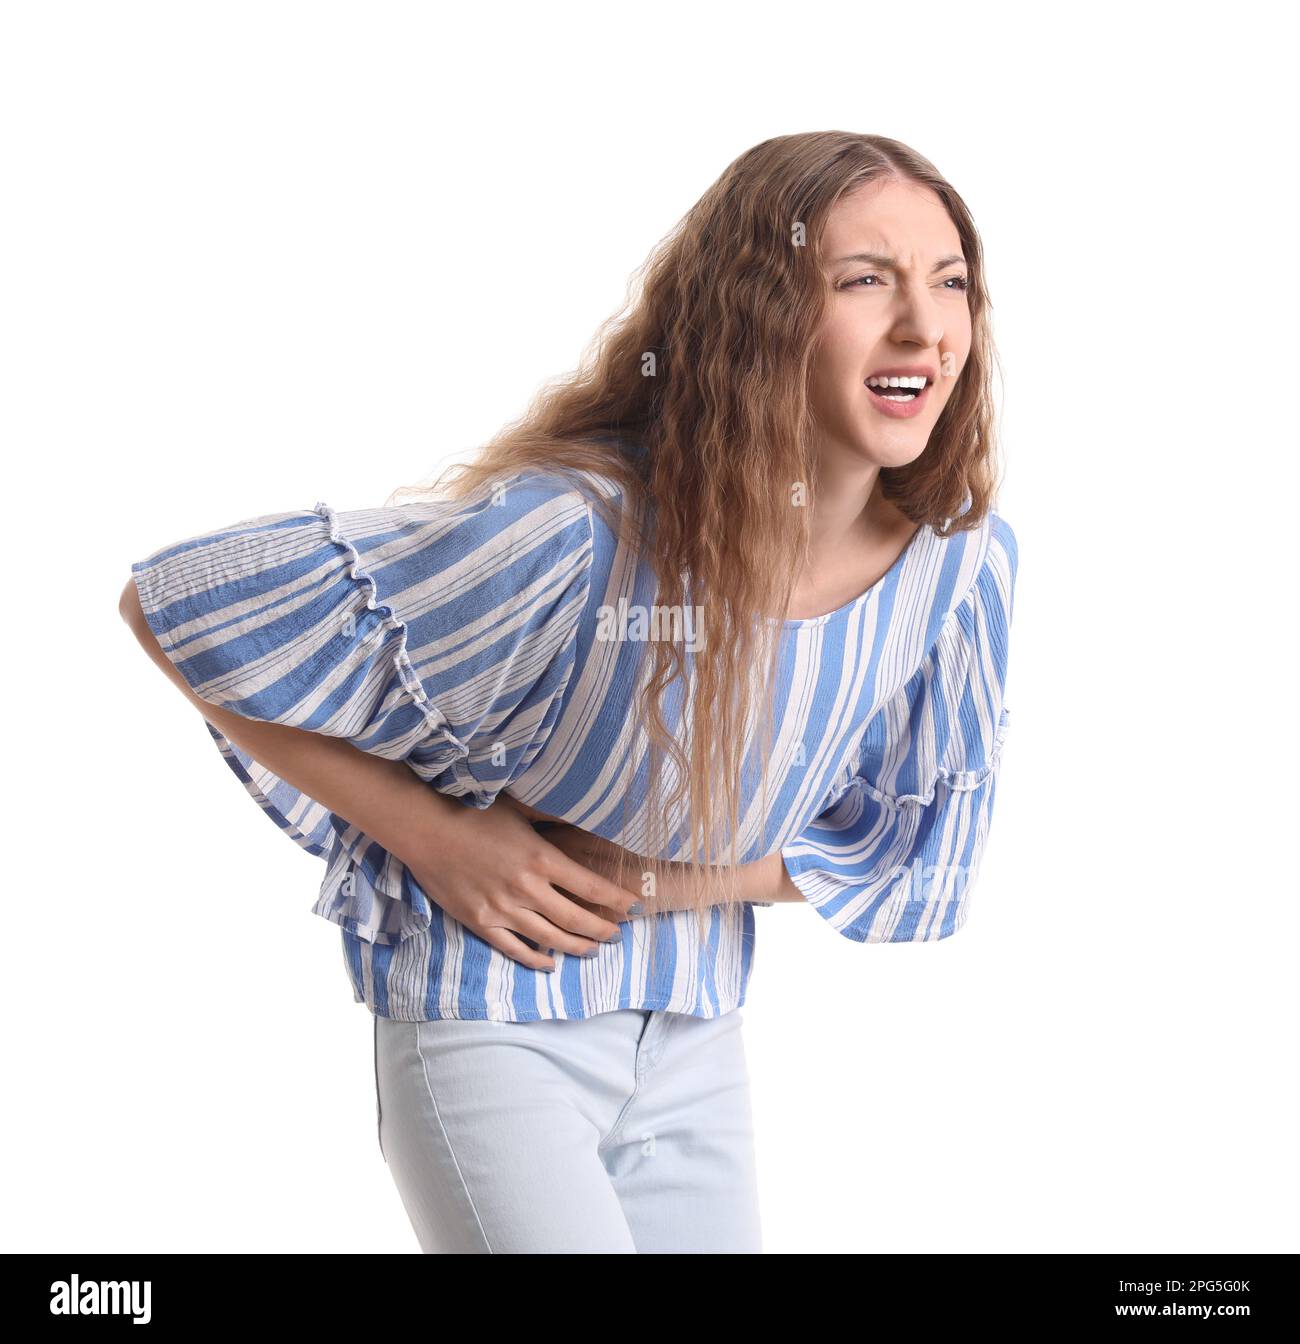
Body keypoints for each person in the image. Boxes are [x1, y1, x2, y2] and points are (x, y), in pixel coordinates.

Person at [118, 130, 1018, 1254]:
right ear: (759, 317)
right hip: (493, 1022)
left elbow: (924, 852)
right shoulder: (573, 530)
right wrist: (440, 839)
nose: (923, 327)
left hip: (693, 1027)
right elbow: (179, 604)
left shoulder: (957, 566)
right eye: (862, 281)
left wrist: (661, 883)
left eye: (948, 283)